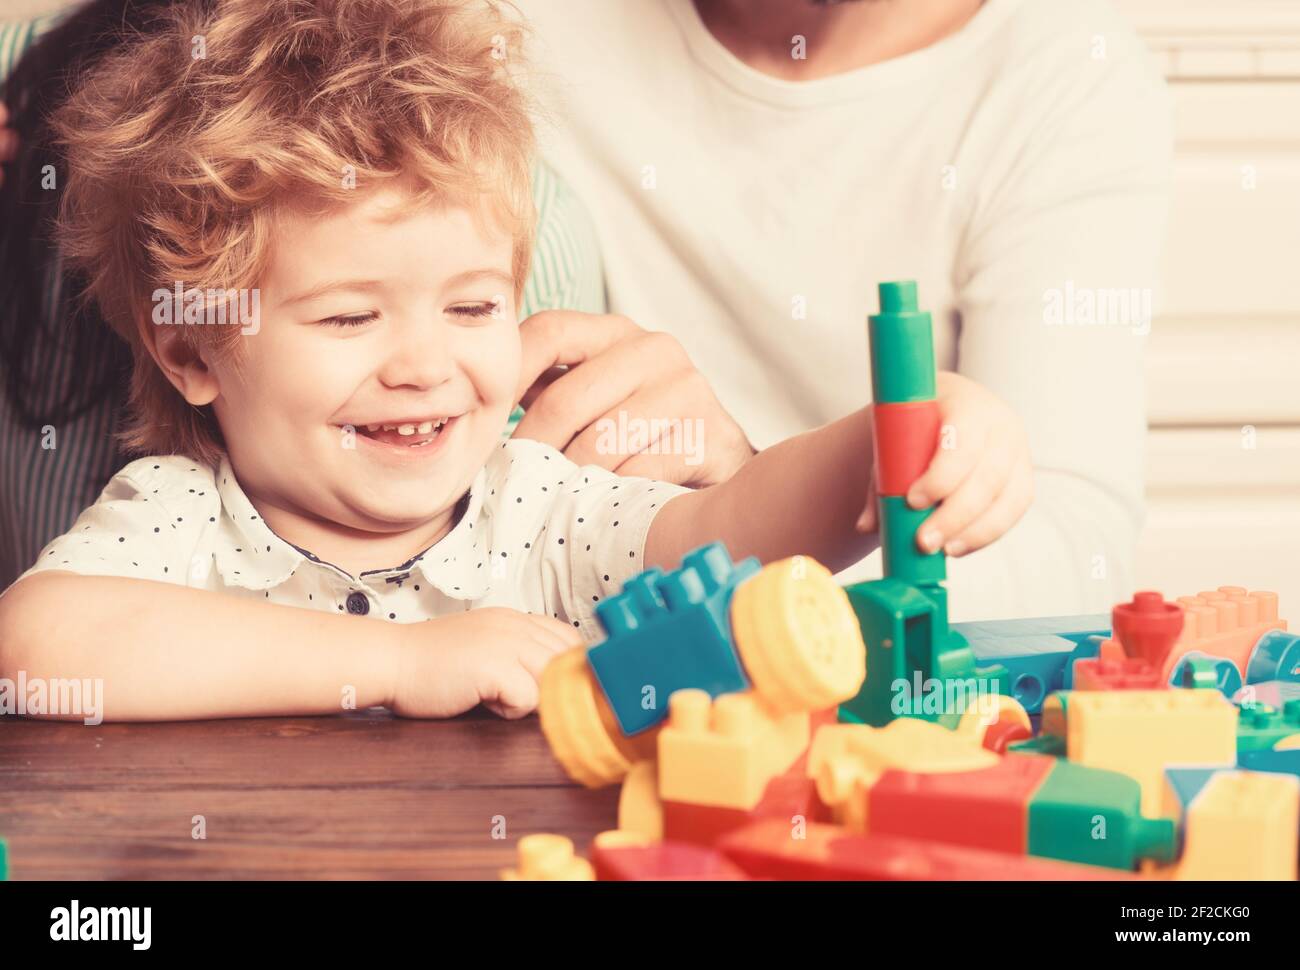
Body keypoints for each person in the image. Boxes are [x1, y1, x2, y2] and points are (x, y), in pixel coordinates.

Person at [0, 0, 1030, 721]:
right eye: (351, 318)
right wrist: (399, 662)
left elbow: (730, 529)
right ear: (191, 350)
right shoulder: (181, 514)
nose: (424, 364)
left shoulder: (535, 508)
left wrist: (888, 445)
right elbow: (32, 649)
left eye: (473, 305)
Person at [514, 0, 1174, 619]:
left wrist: (757, 504)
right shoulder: (506, 30)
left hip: (860, 706)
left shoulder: (1063, 77)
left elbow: (1071, 563)